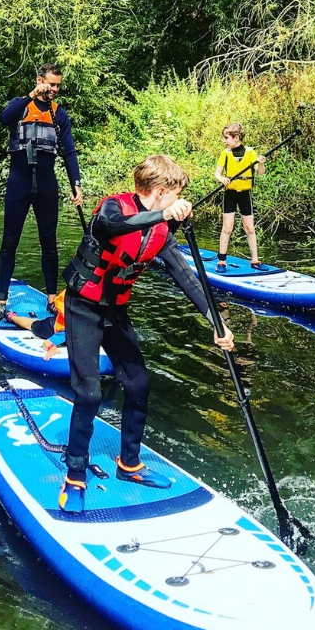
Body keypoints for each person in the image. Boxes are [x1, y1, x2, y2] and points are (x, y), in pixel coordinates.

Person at [58, 154, 235, 514]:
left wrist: (217, 322)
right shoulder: (111, 209)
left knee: (139, 384)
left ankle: (129, 464)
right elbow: (112, 226)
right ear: (160, 192)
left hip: (116, 312)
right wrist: (164, 214)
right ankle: (75, 473)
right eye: (175, 195)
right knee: (89, 392)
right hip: (83, 308)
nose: (177, 202)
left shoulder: (160, 232)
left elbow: (186, 276)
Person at [0, 63, 84, 321]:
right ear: (39, 80)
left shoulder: (60, 115)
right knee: (9, 243)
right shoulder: (21, 105)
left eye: (57, 85)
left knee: (49, 244)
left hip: (46, 185)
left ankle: (52, 298)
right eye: (50, 84)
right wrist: (32, 94)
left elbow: (69, 151)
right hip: (19, 184)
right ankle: (1, 299)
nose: (54, 89)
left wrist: (76, 182)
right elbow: (3, 118)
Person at [214, 122, 266, 270]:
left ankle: (255, 260)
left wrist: (260, 163)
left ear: (236, 137)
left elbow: (260, 172)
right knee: (227, 227)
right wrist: (222, 179)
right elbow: (217, 173)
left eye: (226, 138)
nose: (224, 141)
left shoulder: (251, 153)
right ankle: (222, 261)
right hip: (230, 194)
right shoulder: (225, 153)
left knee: (249, 228)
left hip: (245, 195)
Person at [4, 289, 67, 360]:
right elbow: (47, 343)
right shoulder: (68, 332)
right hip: (50, 327)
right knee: (32, 324)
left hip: (65, 319)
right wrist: (52, 349)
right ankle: (12, 317)